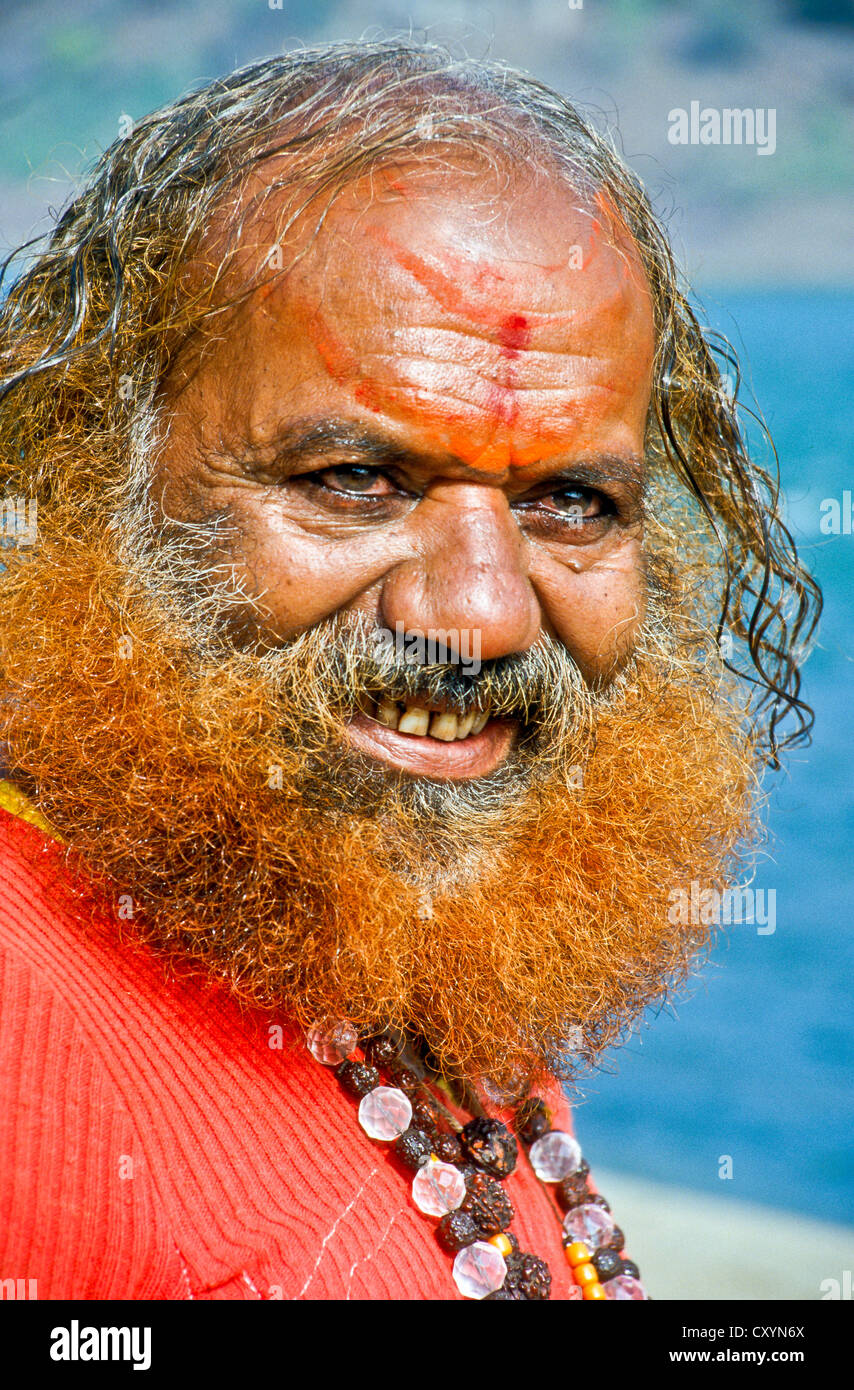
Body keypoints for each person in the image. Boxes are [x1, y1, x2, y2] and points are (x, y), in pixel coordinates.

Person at [0, 41, 819, 1301]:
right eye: (353, 482)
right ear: (83, 472)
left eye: (569, 501)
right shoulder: (24, 1021)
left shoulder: (376, 937)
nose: (482, 615)